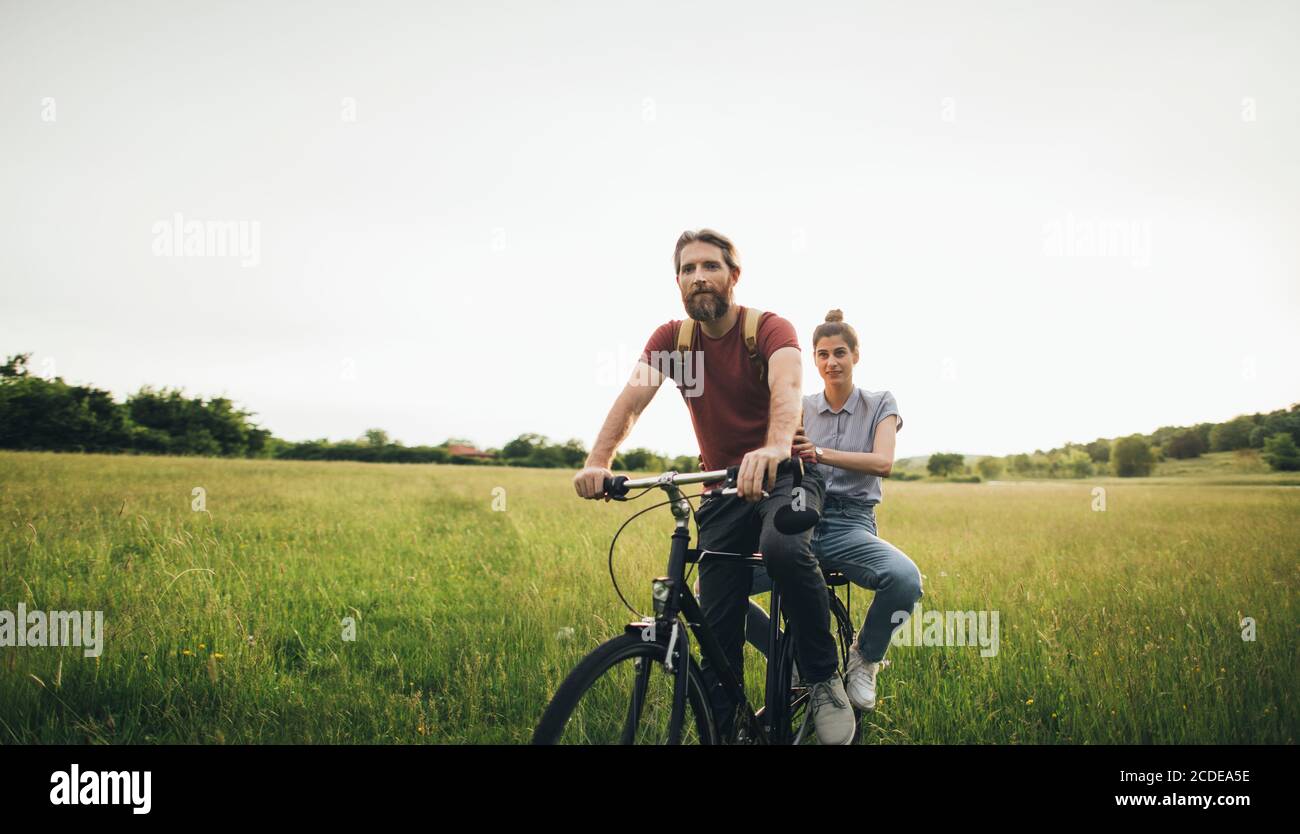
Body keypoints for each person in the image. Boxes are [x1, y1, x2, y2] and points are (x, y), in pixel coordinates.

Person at [572, 230, 856, 744]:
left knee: (782, 547)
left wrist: (772, 448)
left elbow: (787, 387)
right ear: (677, 281)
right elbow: (632, 401)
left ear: (733, 275)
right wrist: (598, 460)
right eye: (687, 269)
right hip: (721, 489)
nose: (698, 276)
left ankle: (821, 679)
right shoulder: (673, 342)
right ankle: (722, 729)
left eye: (709, 266)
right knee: (716, 622)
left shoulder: (767, 328)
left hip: (786, 476)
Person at [743, 309, 923, 711]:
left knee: (905, 580)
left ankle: (866, 657)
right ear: (814, 359)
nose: (831, 362)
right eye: (822, 354)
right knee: (715, 587)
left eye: (840, 352)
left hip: (850, 522)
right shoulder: (801, 406)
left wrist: (820, 453)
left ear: (856, 355)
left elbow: (883, 463)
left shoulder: (880, 403)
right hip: (797, 514)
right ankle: (786, 659)